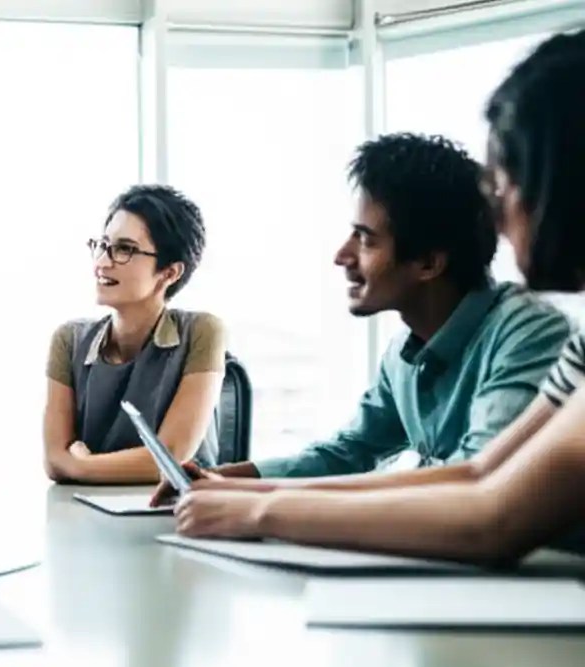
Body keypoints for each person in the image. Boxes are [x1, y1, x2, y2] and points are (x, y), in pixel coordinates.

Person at [173, 30, 585, 564]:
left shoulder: (529, 329)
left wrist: (259, 513)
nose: (501, 219)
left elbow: (491, 516)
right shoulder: (575, 348)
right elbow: (477, 474)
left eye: (508, 188)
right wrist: (241, 490)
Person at [155, 132, 569, 503]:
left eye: (366, 239)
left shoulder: (528, 333)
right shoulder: (404, 353)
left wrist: (265, 505)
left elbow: (473, 479)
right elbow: (349, 452)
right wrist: (226, 479)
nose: (342, 256)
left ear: (428, 262)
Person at [44, 184, 226, 484]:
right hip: (86, 514)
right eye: (103, 245)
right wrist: (68, 463)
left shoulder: (203, 332)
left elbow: (171, 457)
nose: (102, 262)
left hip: (178, 517)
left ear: (170, 273)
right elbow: (53, 460)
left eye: (124, 249)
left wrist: (79, 465)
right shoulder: (69, 340)